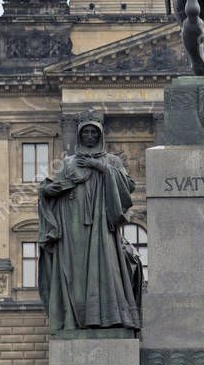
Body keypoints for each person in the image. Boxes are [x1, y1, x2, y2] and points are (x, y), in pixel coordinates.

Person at [38, 118, 142, 332]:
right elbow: (54, 188)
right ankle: (77, 319)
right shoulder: (68, 163)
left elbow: (129, 186)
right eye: (86, 133)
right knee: (76, 273)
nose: (90, 137)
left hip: (102, 223)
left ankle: (110, 316)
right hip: (73, 224)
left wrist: (101, 168)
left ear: (100, 136)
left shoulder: (112, 161)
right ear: (79, 136)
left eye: (94, 133)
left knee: (107, 266)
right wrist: (47, 191)